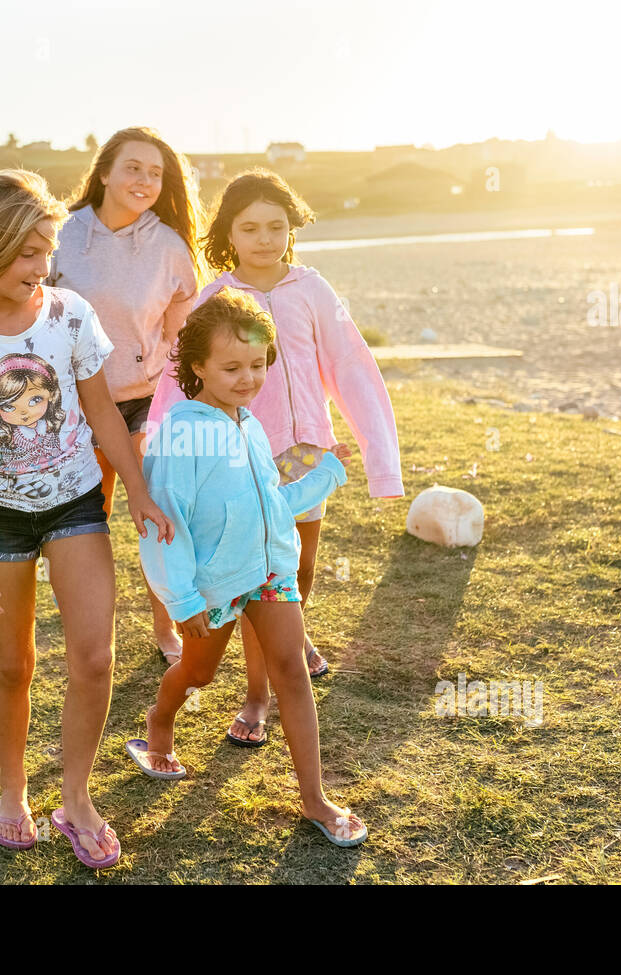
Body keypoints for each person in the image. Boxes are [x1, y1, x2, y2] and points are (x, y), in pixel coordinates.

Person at [0, 169, 173, 868]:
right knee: (14, 664)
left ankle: (76, 797)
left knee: (94, 655)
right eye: (27, 252)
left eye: (47, 250)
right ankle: (14, 790)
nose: (41, 266)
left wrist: (136, 489)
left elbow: (104, 413)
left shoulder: (70, 315)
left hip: (77, 500)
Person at [148, 168, 404, 748]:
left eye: (276, 226)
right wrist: (162, 458)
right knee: (253, 579)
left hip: (304, 456)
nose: (265, 238)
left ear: (292, 229)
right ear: (228, 234)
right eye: (250, 227)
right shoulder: (214, 299)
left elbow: (352, 367)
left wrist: (379, 460)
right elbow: (175, 382)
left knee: (295, 574)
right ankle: (257, 696)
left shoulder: (313, 289)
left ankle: (290, 645)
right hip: (236, 468)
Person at [128, 288, 367, 847]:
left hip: (270, 573)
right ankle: (159, 723)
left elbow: (270, 505)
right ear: (197, 367)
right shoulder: (182, 436)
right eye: (231, 367)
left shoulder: (249, 425)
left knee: (293, 674)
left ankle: (314, 799)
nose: (248, 378)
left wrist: (326, 474)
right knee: (198, 673)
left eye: (258, 365)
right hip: (212, 584)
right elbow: (166, 525)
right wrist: (182, 600)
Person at [47, 126, 202, 666]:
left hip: (145, 401)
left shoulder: (169, 247)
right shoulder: (60, 236)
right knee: (86, 523)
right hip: (72, 404)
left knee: (155, 516)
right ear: (105, 171)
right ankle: (91, 636)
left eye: (156, 173)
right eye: (133, 168)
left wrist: (181, 405)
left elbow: (185, 337)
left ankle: (167, 626)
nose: (144, 180)